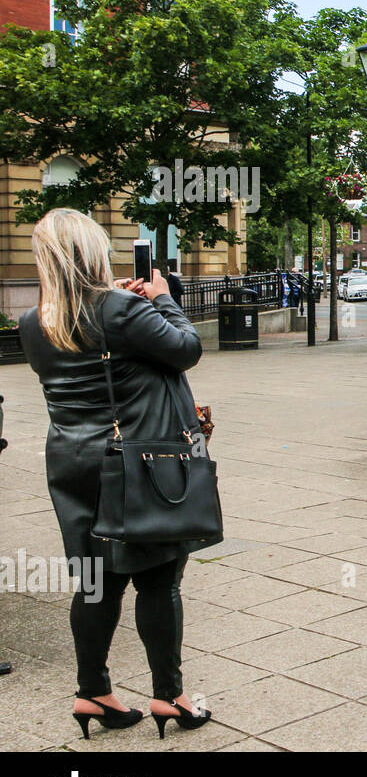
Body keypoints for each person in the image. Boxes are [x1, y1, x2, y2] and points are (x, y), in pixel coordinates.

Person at [18, 209, 214, 741]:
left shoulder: (34, 321)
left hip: (72, 463)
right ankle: (170, 696)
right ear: (93, 252)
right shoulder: (121, 309)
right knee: (157, 577)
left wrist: (133, 304)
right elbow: (186, 351)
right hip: (135, 464)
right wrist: (163, 297)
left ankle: (93, 692)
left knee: (95, 581)